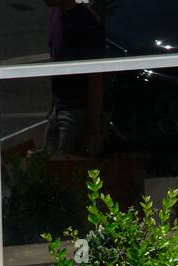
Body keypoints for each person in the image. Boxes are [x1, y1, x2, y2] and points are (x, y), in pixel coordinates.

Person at [43, 0, 105, 157]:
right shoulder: (56, 16)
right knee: (49, 162)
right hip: (59, 107)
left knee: (65, 168)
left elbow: (96, 78)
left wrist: (94, 129)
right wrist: (52, 107)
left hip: (76, 111)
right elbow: (56, 65)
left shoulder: (86, 23)